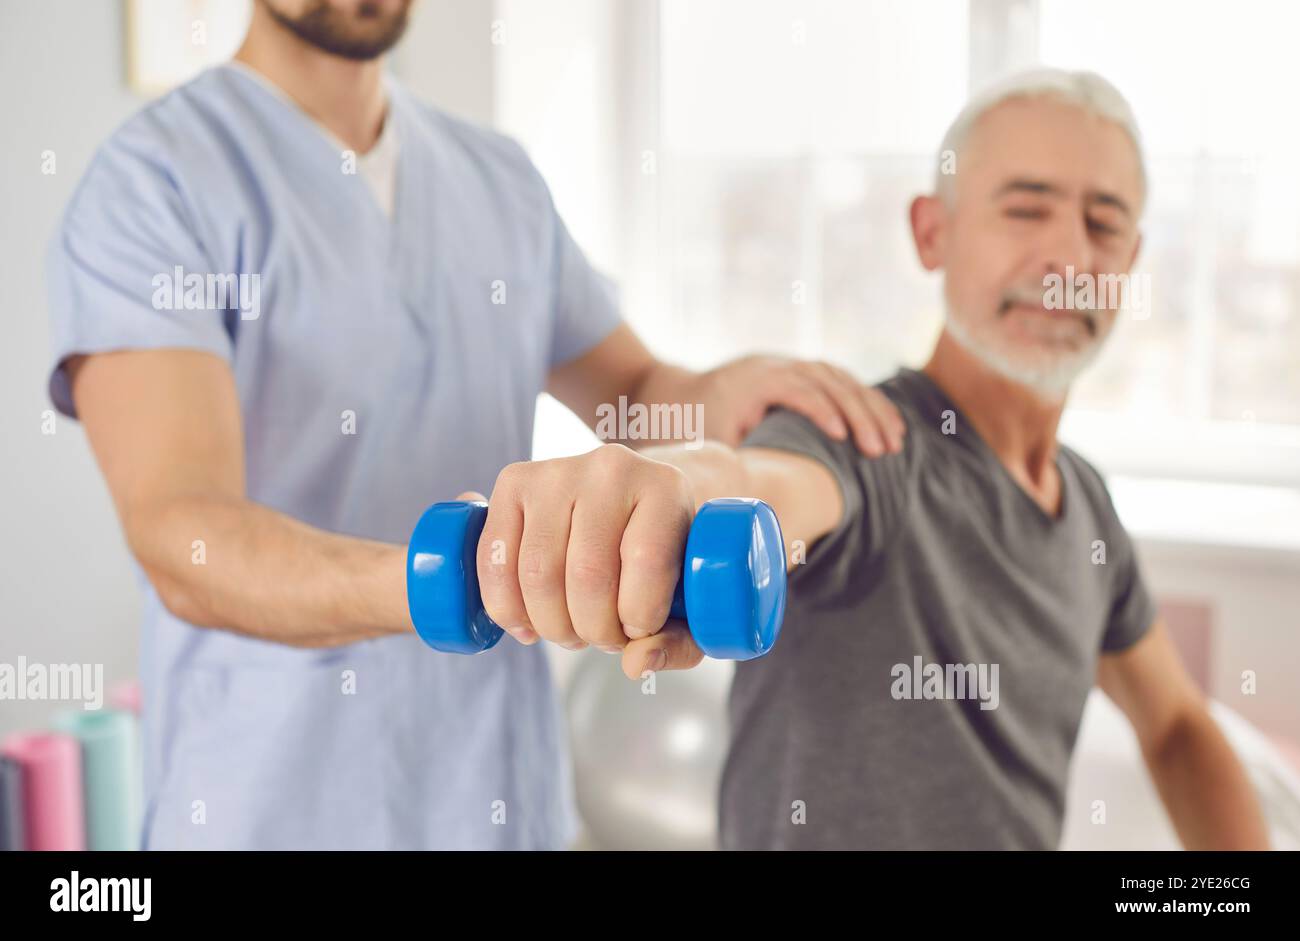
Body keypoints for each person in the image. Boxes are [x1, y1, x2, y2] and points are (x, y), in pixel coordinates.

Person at [46, 0, 904, 849]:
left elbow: (636, 393)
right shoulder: (153, 182)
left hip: (494, 792)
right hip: (272, 802)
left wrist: (726, 390)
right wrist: (459, 579)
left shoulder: (495, 176)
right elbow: (182, 534)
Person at [469, 69, 1271, 850]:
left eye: (1105, 224)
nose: (1071, 258)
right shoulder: (869, 439)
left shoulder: (1086, 505)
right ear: (932, 233)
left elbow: (1175, 723)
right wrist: (676, 490)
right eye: (1027, 209)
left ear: (1129, 263)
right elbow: (762, 481)